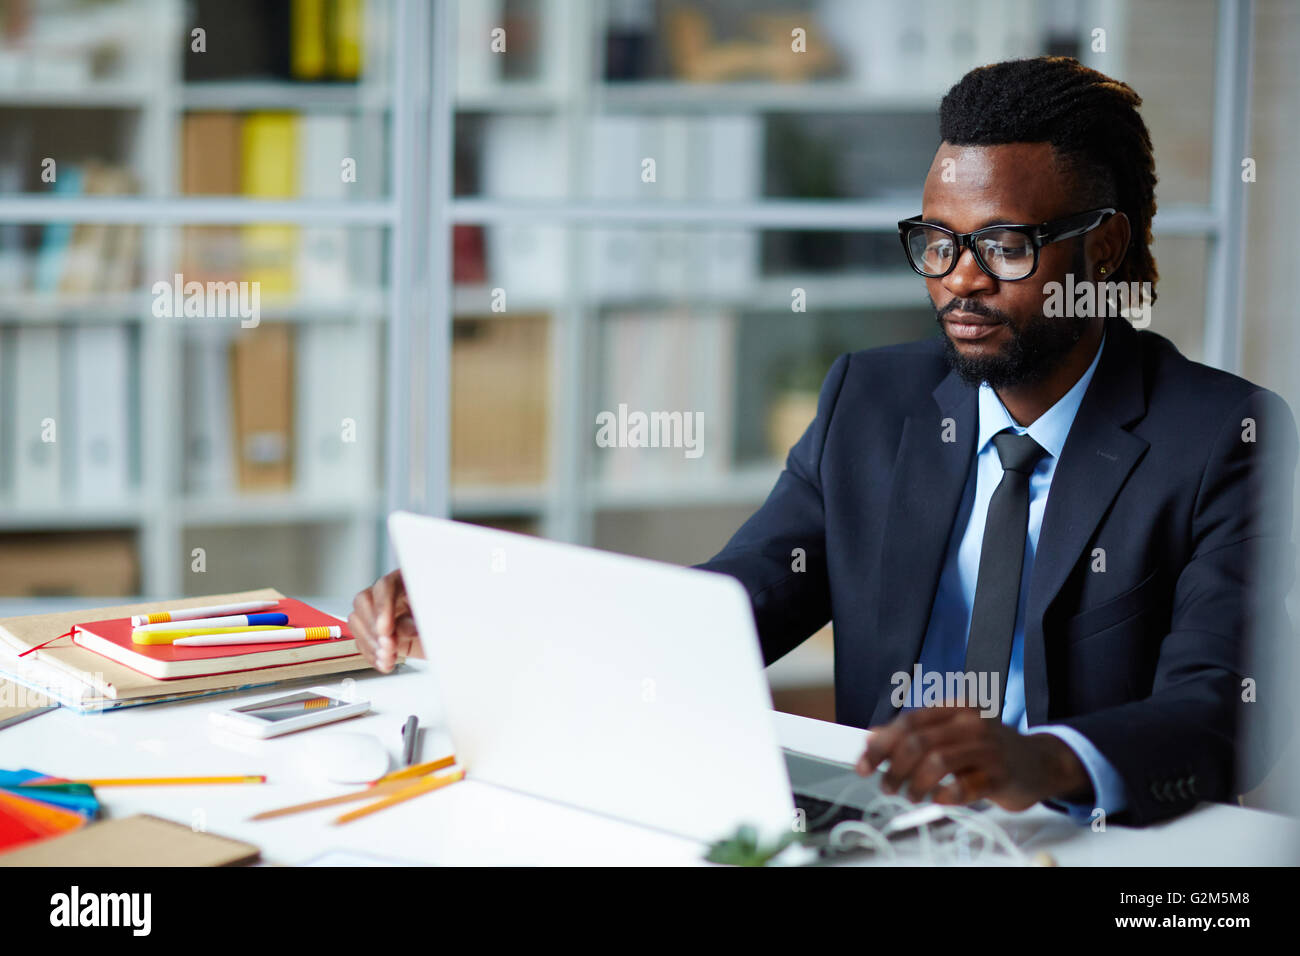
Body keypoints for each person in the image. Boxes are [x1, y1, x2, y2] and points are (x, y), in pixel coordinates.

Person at [350, 57, 1297, 827]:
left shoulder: (1223, 439)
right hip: (879, 826)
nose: (958, 281)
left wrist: (1036, 759)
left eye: (1003, 245)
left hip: (1081, 838)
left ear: (1104, 248)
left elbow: (1227, 710)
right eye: (936, 240)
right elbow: (737, 601)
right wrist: (501, 625)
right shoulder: (872, 402)